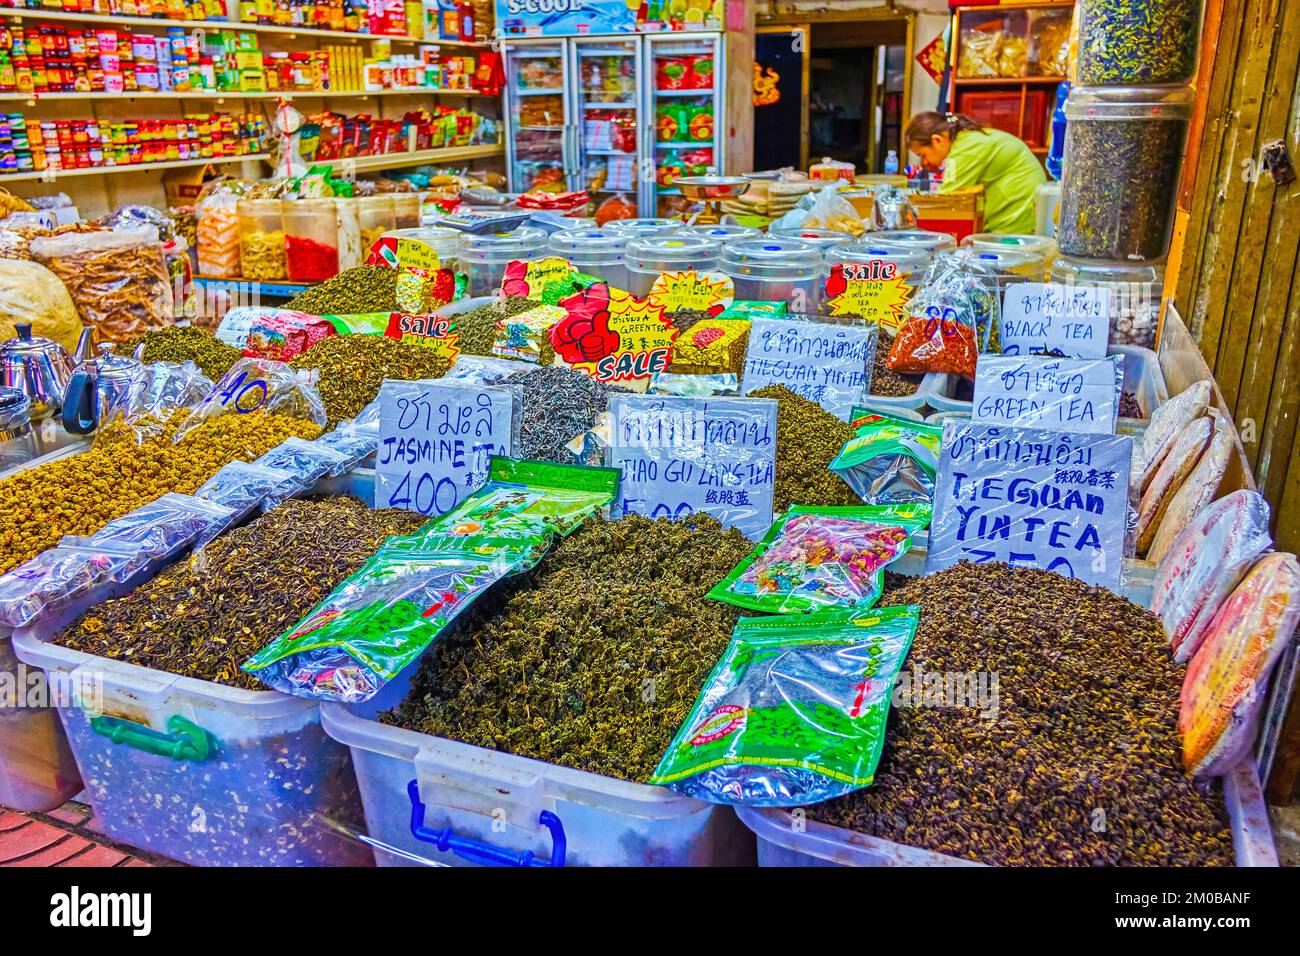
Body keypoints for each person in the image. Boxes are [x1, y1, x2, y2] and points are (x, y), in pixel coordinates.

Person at [906, 111, 1046, 235]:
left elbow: (944, 200)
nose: (923, 163)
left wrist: (913, 215)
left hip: (1014, 222)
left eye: (922, 155)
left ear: (937, 140)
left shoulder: (966, 148)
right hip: (1018, 214)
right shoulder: (967, 140)